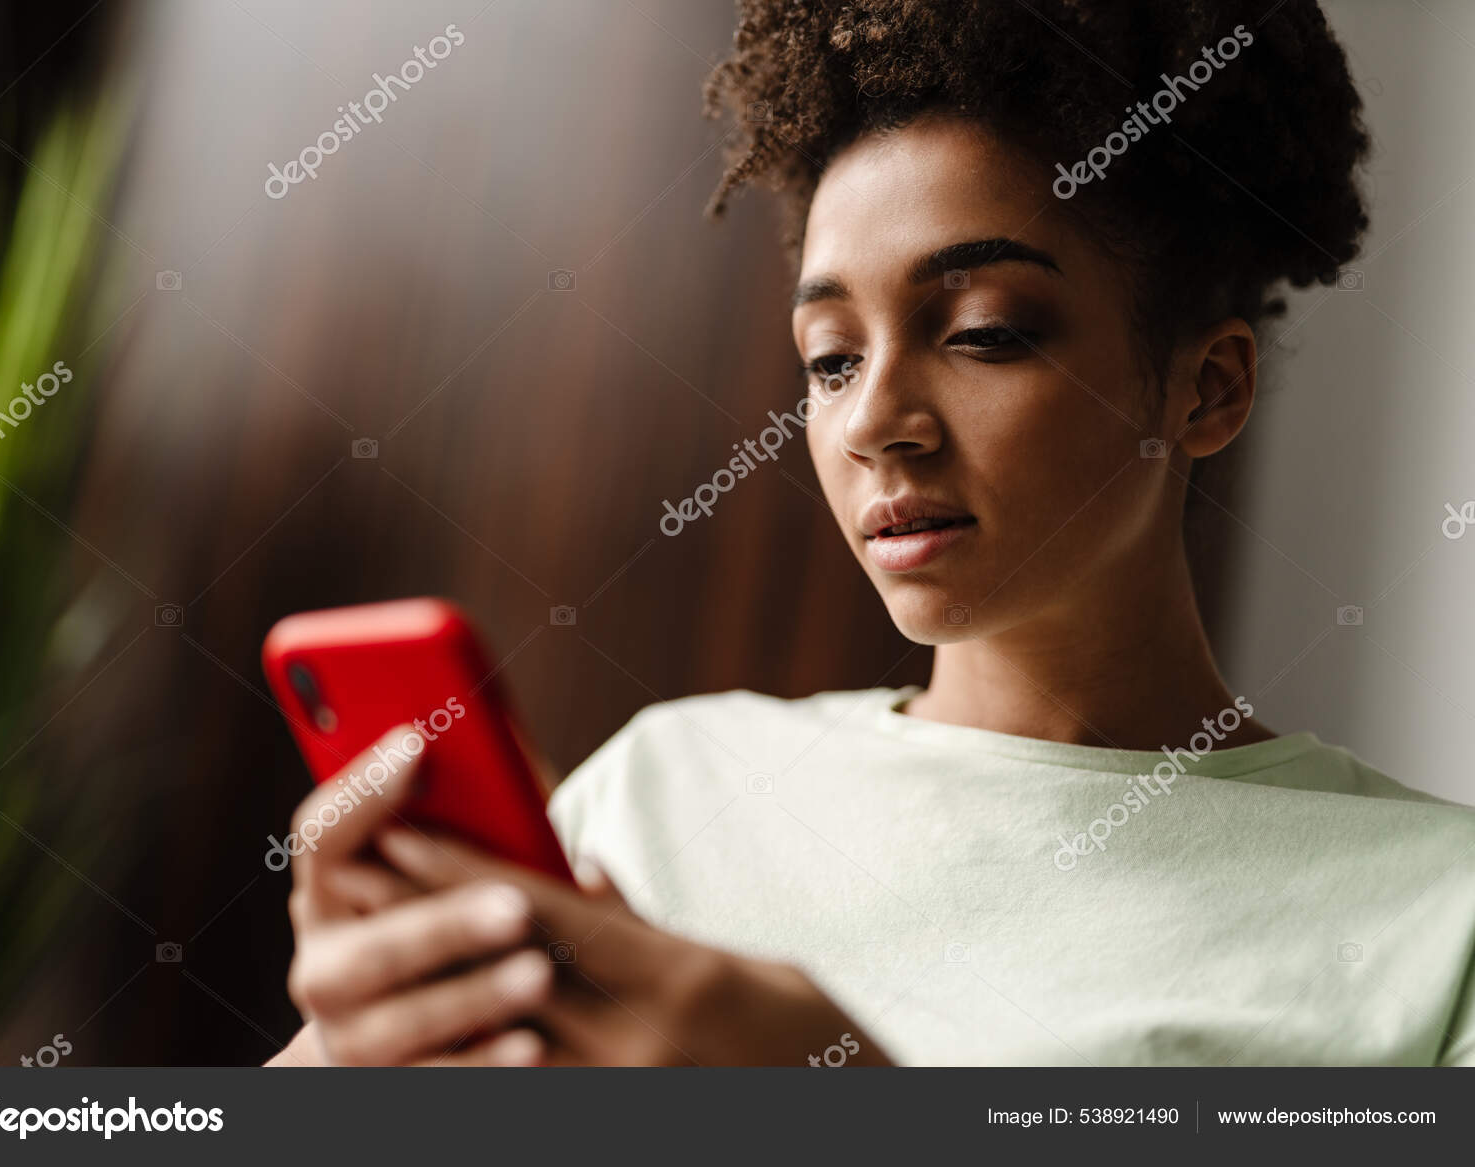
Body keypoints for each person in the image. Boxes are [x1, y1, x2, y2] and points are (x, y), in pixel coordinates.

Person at [267, 0, 1475, 1066]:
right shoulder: (664, 789)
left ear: (1206, 390)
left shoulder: (1438, 918)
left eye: (984, 331)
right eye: (831, 359)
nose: (873, 423)